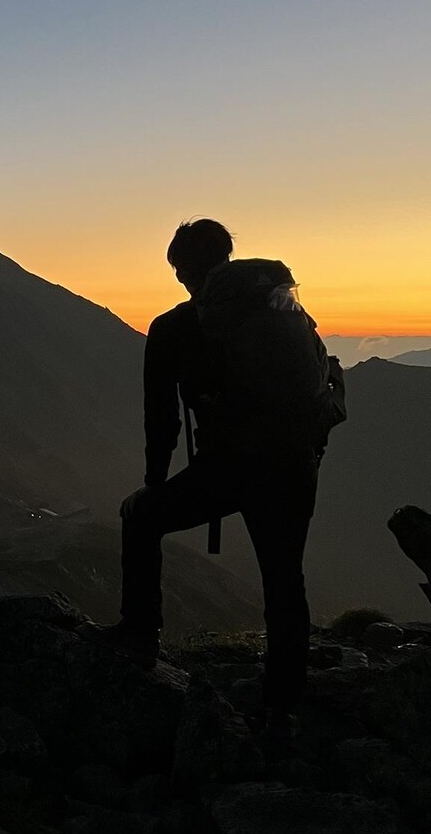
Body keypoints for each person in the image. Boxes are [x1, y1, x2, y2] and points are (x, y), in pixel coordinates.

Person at [82, 218, 335, 755]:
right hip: (294, 466)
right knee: (285, 582)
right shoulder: (283, 311)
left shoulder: (175, 327)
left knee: (142, 518)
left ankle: (139, 635)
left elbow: (163, 422)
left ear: (183, 270)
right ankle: (283, 711)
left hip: (230, 468)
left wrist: (153, 488)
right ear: (227, 256)